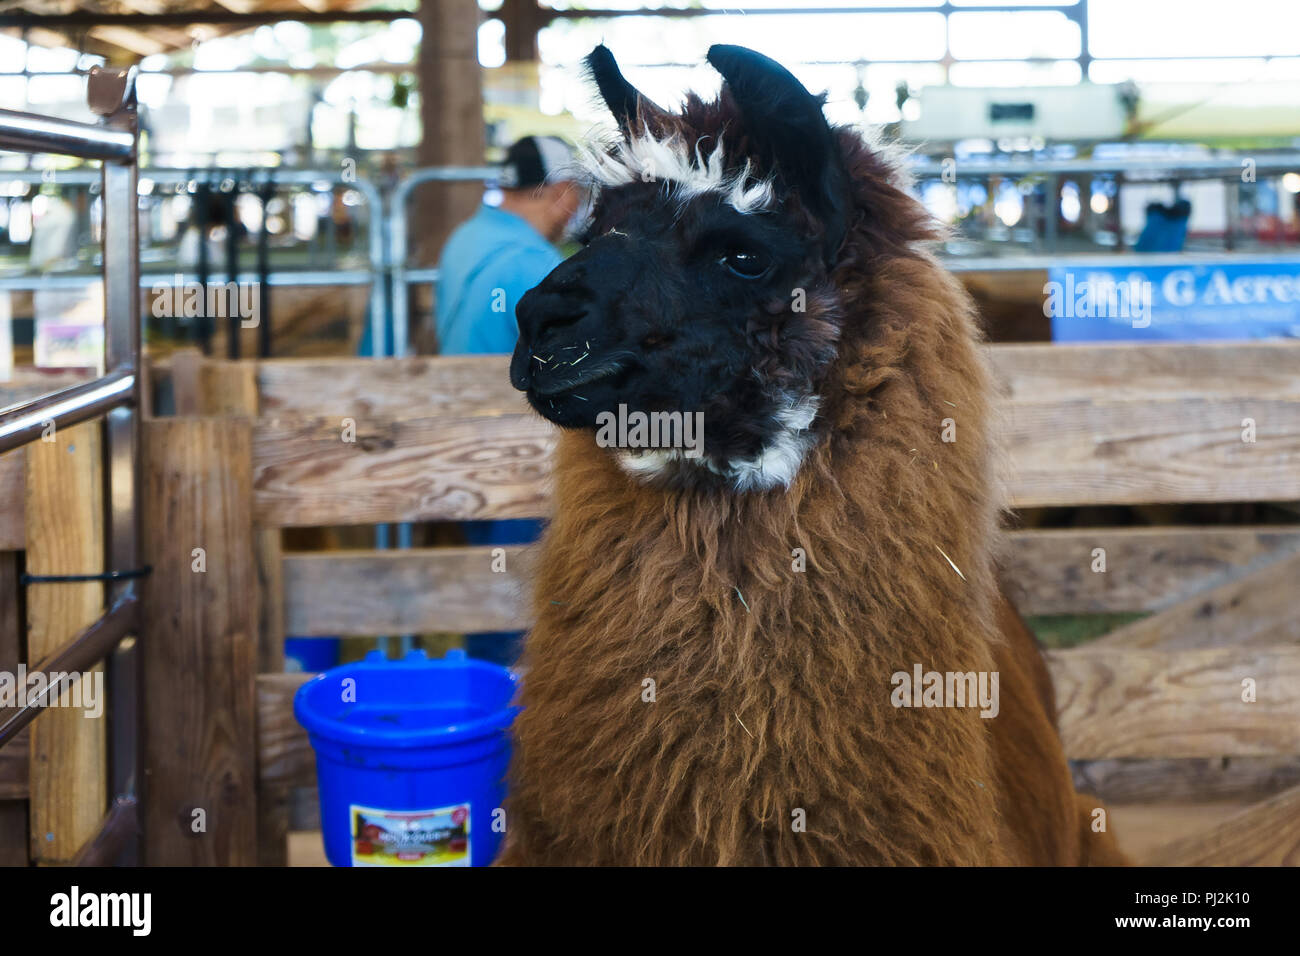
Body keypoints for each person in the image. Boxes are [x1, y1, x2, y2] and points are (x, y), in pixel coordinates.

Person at [435, 135, 584, 666]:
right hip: (520, 455)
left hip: (458, 448)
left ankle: (481, 695)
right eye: (579, 195)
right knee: (518, 604)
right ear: (562, 193)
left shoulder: (465, 239)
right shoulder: (537, 268)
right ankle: (508, 720)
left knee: (489, 584)